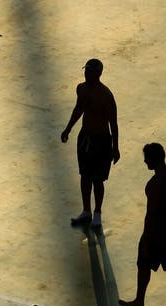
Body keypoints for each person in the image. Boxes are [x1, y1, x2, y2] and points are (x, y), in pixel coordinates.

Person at [119, 143, 166, 306]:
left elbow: (152, 214)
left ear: (152, 160)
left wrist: (146, 240)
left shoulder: (153, 185)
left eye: (146, 158)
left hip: (158, 235)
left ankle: (139, 300)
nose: (144, 161)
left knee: (143, 263)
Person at [61, 58, 120, 229]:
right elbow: (78, 110)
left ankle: (97, 213)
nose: (86, 74)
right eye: (85, 71)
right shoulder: (81, 89)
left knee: (98, 179)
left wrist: (115, 148)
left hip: (101, 141)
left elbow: (113, 124)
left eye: (90, 71)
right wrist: (68, 129)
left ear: (99, 74)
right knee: (85, 175)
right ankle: (86, 210)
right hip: (85, 138)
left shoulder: (106, 96)